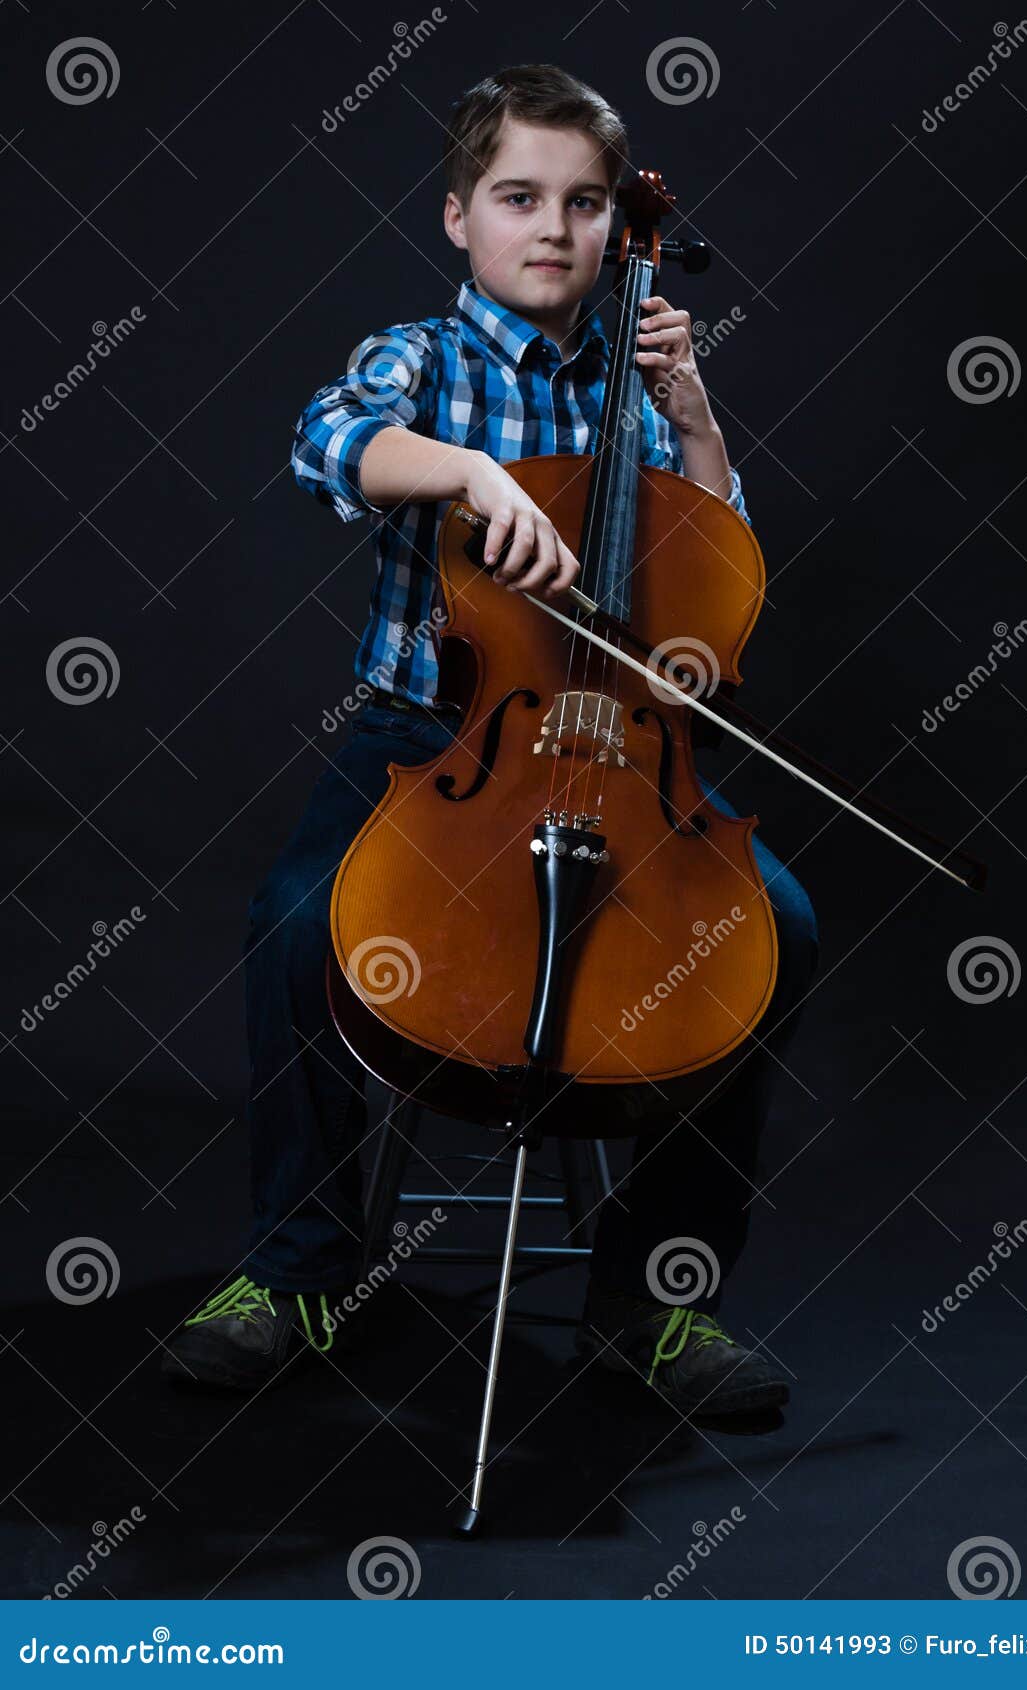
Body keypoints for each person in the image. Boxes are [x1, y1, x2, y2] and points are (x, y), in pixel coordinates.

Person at [164, 63, 818, 1417]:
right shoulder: (424, 357)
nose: (557, 230)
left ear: (612, 229)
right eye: (520, 197)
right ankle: (297, 1269)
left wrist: (692, 411)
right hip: (433, 735)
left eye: (586, 205)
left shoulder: (639, 375)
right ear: (460, 214)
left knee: (778, 926)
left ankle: (654, 1297)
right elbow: (329, 438)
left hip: (616, 748)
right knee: (298, 917)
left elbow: (717, 570)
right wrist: (466, 473)